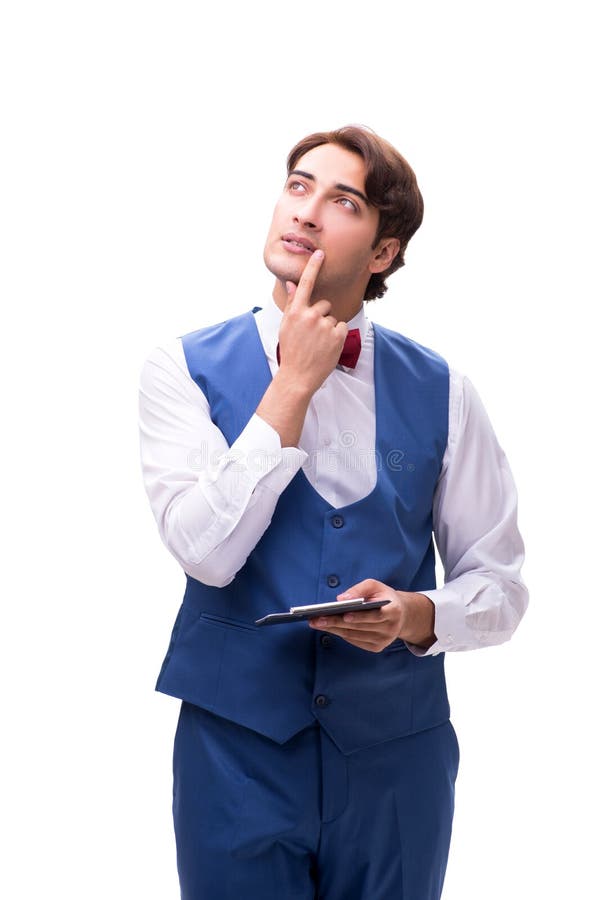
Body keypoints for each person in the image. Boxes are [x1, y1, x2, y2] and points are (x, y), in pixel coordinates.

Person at [139, 125, 528, 899]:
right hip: (236, 754)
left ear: (382, 252)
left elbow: (501, 584)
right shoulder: (181, 368)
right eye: (297, 185)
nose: (306, 212)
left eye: (341, 201)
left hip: (397, 760)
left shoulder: (443, 389)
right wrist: (291, 389)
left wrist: (417, 614)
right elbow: (203, 553)